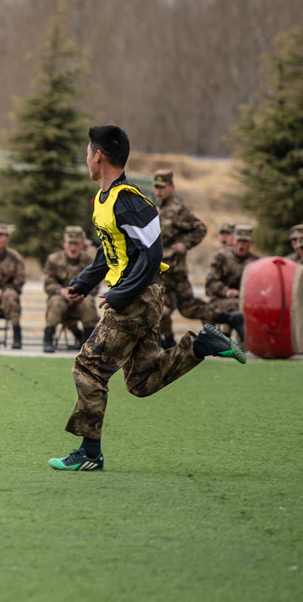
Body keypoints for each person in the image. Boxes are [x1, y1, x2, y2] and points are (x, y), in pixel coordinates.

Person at [49, 125, 245, 472]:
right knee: (141, 381)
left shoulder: (129, 200)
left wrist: (120, 293)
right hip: (141, 296)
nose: (85, 158)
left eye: (87, 152)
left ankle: (90, 454)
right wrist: (83, 282)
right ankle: (201, 346)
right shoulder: (104, 199)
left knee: (88, 367)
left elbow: (151, 254)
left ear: (98, 155)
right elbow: (109, 248)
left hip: (136, 297)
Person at [153, 169, 243, 348]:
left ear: (172, 187)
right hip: (162, 270)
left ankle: (229, 319)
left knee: (177, 308)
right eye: (156, 187)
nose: (159, 191)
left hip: (174, 270)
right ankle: (169, 344)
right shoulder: (158, 210)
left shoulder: (178, 209)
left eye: (162, 187)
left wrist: (185, 244)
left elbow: (200, 228)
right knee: (171, 310)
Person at [42, 225, 98, 353]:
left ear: (82, 245)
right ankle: (48, 339)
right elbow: (48, 283)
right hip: (61, 298)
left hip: (81, 299)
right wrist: (62, 291)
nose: (73, 247)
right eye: (70, 243)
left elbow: (94, 285)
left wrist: (79, 294)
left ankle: (88, 341)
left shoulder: (89, 260)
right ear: (64, 244)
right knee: (56, 302)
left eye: (76, 244)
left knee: (88, 302)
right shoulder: (54, 259)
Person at [206, 224, 259, 323]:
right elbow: (210, 283)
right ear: (234, 241)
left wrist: (243, 294)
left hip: (246, 301)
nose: (241, 245)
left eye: (245, 242)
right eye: (239, 241)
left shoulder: (256, 262)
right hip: (221, 300)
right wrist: (226, 291)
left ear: (251, 243)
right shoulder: (221, 257)